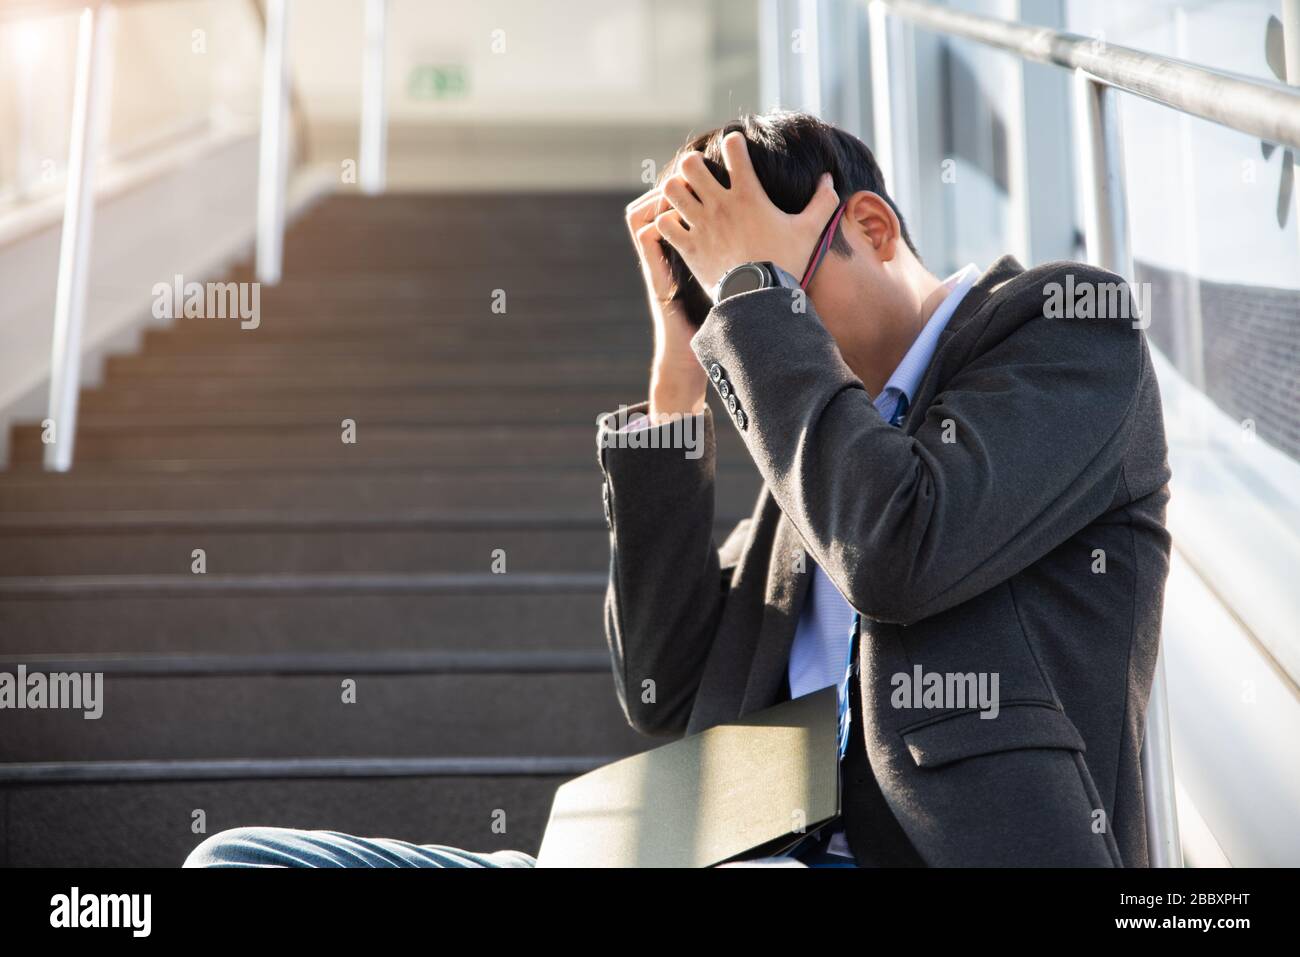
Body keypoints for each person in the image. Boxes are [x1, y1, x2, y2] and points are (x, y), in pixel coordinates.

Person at [186, 110, 1170, 868]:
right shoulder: (817, 468)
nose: (746, 326)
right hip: (688, 854)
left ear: (869, 226)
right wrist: (677, 375)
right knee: (239, 863)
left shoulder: (1064, 332)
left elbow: (899, 549)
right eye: (725, 306)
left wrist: (752, 302)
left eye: (767, 287)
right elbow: (659, 683)